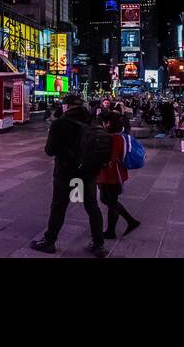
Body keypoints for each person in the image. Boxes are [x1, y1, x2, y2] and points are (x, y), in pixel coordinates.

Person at [31, 94, 109, 257]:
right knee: (92, 207)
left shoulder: (60, 123)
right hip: (88, 172)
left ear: (67, 106)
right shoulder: (92, 121)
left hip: (66, 173)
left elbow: (49, 150)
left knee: (59, 206)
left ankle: (49, 241)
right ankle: (98, 244)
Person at [96, 113, 142, 240]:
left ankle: (111, 231)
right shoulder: (116, 136)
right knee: (107, 200)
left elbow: (111, 159)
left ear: (109, 124)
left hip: (113, 176)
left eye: (104, 123)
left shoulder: (115, 138)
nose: (102, 125)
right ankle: (131, 221)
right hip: (108, 176)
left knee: (111, 203)